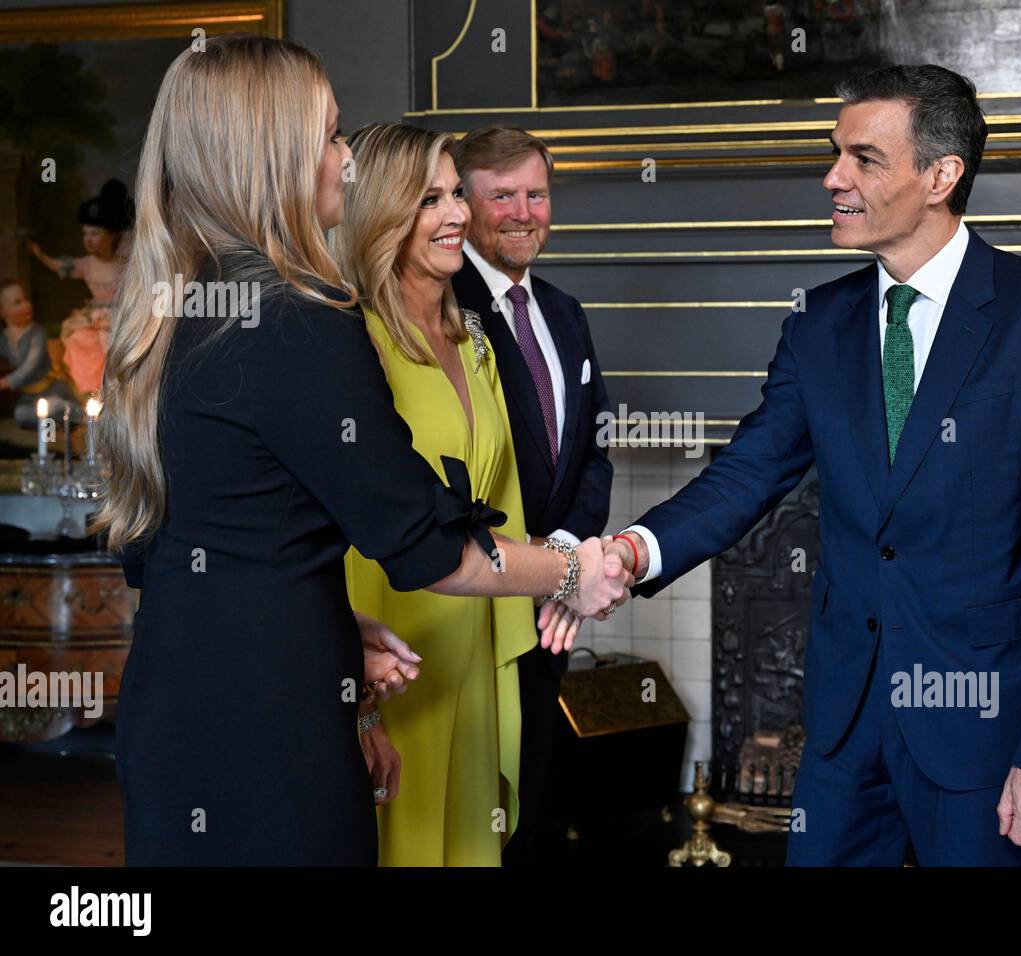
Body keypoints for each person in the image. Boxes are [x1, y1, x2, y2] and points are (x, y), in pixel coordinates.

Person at [93, 34, 628, 867]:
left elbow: (183, 550)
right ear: (274, 157)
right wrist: (572, 573)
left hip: (175, 711)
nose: (347, 161)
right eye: (333, 137)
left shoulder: (173, 309)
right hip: (275, 726)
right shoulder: (302, 319)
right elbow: (422, 546)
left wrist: (335, 628)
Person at [590, 64, 1021, 866]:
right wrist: (634, 551)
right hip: (845, 731)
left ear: (942, 175)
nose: (833, 177)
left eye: (864, 159)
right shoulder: (819, 325)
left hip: (986, 735)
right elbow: (748, 472)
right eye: (834, 154)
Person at [335, 123, 579, 865]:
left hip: (475, 644)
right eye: (428, 199)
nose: (455, 216)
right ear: (381, 211)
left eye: (451, 196)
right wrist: (355, 701)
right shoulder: (350, 338)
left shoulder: (472, 336)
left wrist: (566, 572)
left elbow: (501, 502)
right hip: (390, 652)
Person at [450, 125, 613, 865]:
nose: (524, 212)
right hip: (461, 607)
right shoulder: (435, 308)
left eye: (537, 194)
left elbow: (593, 453)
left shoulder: (565, 311)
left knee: (532, 806)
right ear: (463, 202)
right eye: (503, 195)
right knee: (468, 810)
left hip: (551, 613)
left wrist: (567, 561)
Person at [28, 178, 134, 396]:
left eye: (95, 234)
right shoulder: (87, 264)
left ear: (112, 235)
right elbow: (60, 266)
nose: (88, 239)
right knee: (78, 341)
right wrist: (38, 253)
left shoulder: (125, 262)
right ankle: (91, 395)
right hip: (93, 317)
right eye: (85, 234)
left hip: (122, 315)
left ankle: (115, 396)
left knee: (113, 347)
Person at [0, 278, 80, 427]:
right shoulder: (3, 339)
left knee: (55, 406)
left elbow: (30, 366)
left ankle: (66, 410)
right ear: (2, 312)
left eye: (25, 299)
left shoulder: (37, 333)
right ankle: (54, 421)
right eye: (17, 303)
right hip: (28, 396)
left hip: (49, 389)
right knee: (20, 414)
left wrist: (6, 382)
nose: (26, 305)